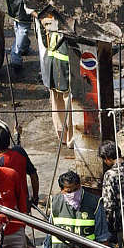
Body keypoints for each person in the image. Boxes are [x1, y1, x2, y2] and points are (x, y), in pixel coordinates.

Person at [38, 9, 74, 149]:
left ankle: (62, 136)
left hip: (50, 67)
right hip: (63, 69)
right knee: (68, 105)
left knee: (56, 103)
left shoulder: (47, 22)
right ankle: (70, 139)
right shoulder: (66, 24)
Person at [0, 125, 39, 209]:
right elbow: (34, 176)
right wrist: (35, 198)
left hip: (9, 208)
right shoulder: (20, 151)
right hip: (25, 203)